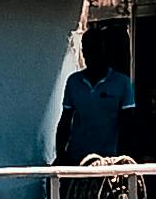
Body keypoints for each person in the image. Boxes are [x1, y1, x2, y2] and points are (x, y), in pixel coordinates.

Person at [55, 25, 138, 168]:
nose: (90, 56)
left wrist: (125, 161)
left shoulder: (122, 83)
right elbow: (65, 121)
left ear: (104, 52)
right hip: (78, 158)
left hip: (109, 160)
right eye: (86, 51)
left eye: (95, 51)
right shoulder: (74, 81)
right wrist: (61, 155)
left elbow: (128, 126)